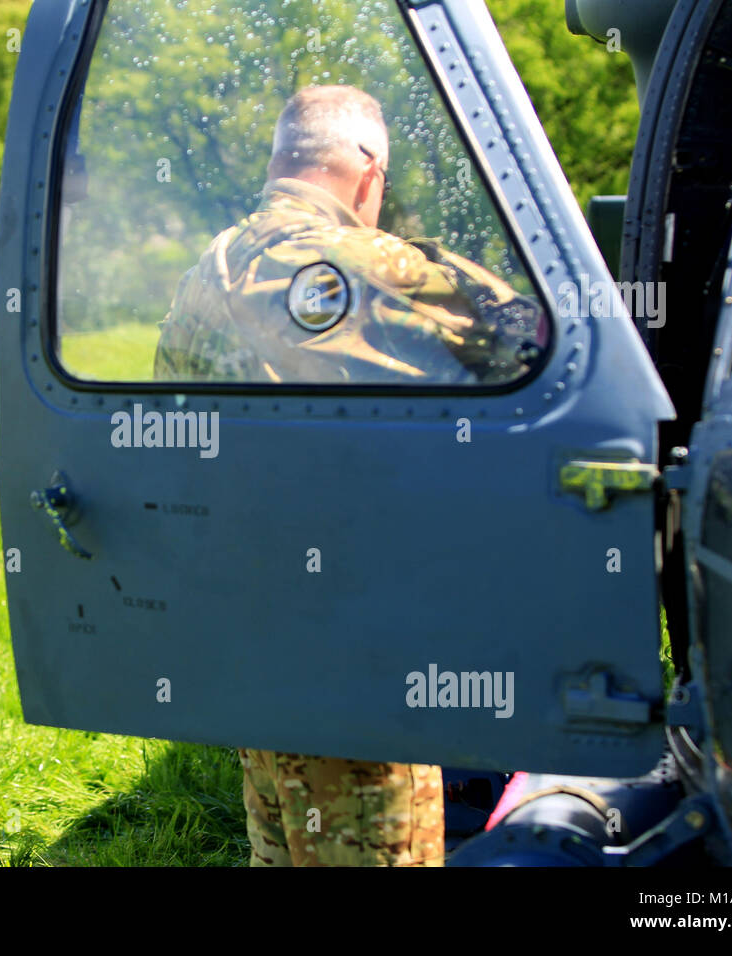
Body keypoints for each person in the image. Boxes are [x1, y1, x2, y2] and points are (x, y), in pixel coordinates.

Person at [154, 86, 543, 865]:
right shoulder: (365, 261)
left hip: (246, 627)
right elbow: (533, 338)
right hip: (352, 642)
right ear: (369, 169)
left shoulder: (210, 266)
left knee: (284, 844)